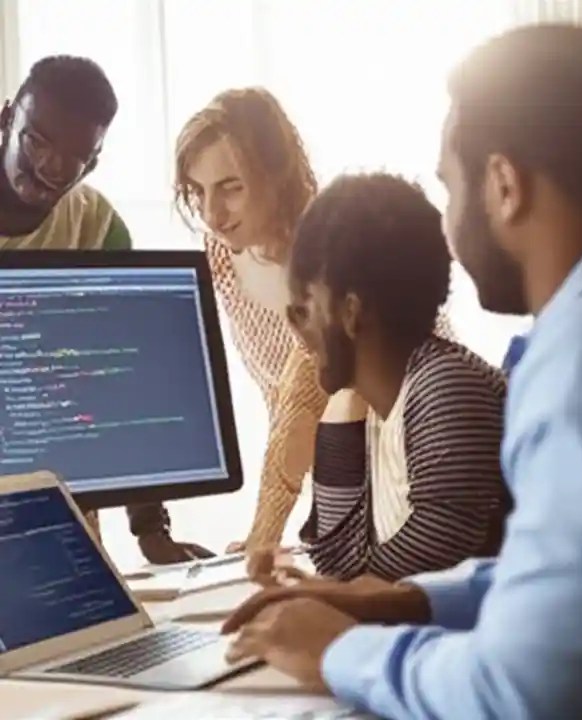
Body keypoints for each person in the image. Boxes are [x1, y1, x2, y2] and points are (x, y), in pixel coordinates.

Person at [220, 25, 582, 719]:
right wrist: (405, 599)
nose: (447, 227)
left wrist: (337, 653)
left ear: (504, 185)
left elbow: (528, 693)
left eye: (451, 188)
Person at [0, 54, 212, 564]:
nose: (51, 165)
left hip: (56, 497)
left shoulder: (96, 227)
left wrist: (151, 531)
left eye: (74, 156)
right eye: (36, 140)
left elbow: (120, 381)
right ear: (8, 118)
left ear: (92, 162)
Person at [267, 173, 509, 583]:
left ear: (351, 311)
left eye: (302, 310)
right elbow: (337, 562)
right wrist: (343, 397)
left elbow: (433, 567)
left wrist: (317, 596)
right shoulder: (383, 406)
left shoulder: (446, 387)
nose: (296, 331)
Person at [174, 88, 334, 552]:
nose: (211, 214)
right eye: (197, 190)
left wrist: (263, 539)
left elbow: (304, 398)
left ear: (277, 173)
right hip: (332, 489)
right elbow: (279, 398)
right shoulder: (222, 255)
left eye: (231, 187)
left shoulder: (331, 246)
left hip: (409, 468)